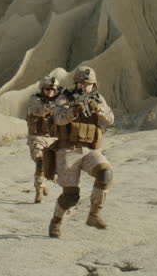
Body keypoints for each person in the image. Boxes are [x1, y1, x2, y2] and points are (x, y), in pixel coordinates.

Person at [48, 66, 114, 238]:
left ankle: (94, 215)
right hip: (68, 150)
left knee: (105, 173)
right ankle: (56, 220)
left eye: (88, 84)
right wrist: (74, 111)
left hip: (90, 150)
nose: (85, 87)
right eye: (81, 83)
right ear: (75, 83)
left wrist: (98, 108)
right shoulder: (64, 98)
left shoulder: (98, 98)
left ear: (93, 85)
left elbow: (110, 120)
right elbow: (59, 119)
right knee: (70, 197)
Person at [27, 76, 60, 203]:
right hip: (37, 137)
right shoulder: (34, 99)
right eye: (47, 89)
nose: (50, 92)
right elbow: (39, 111)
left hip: (53, 138)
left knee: (55, 167)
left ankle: (44, 181)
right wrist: (56, 103)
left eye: (53, 90)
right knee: (40, 162)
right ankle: (39, 191)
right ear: (42, 89)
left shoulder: (59, 100)